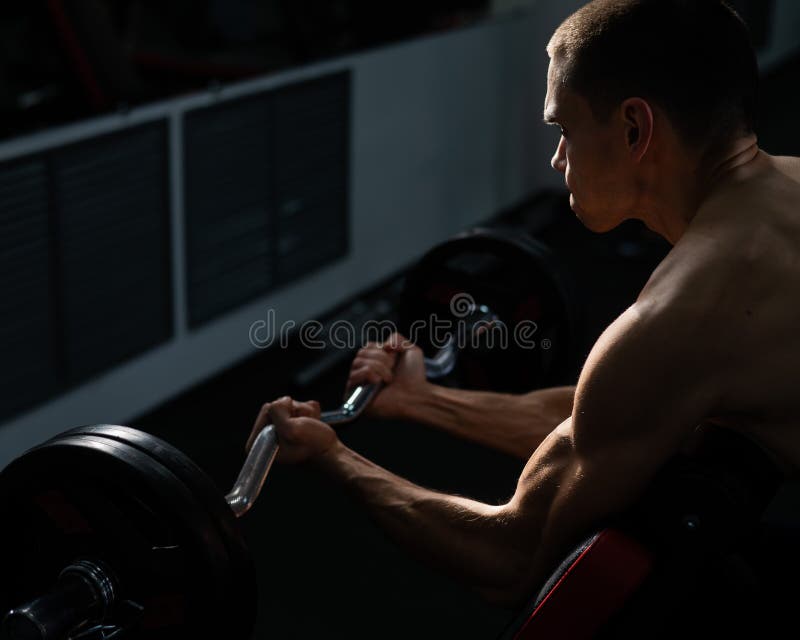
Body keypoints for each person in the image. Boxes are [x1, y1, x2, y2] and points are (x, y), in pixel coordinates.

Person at [248, 0, 800, 608]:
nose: (557, 159)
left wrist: (335, 459)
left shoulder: (682, 313)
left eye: (563, 129)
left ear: (635, 129)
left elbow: (512, 556)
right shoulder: (781, 198)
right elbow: (616, 413)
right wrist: (425, 400)